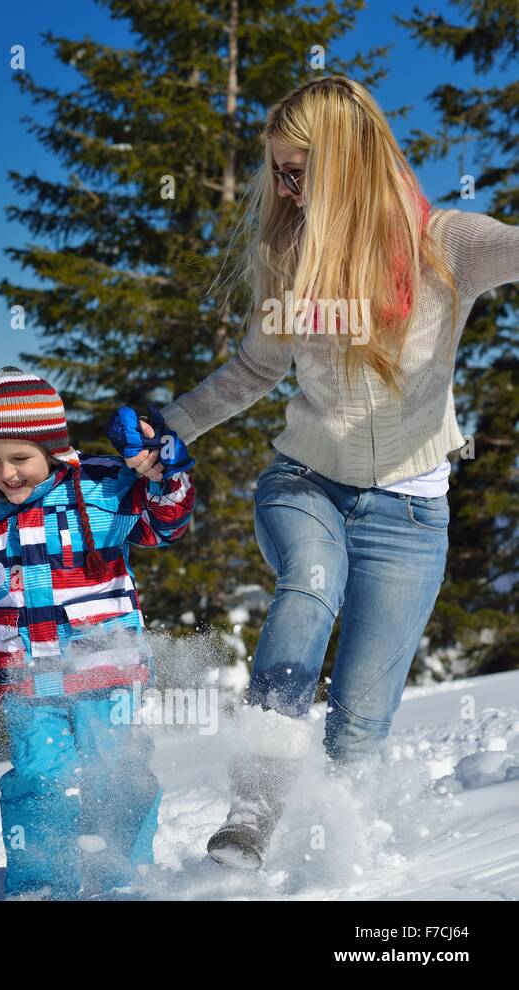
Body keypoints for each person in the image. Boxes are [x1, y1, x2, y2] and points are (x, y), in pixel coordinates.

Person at [116, 75, 519, 870]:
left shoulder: (448, 246)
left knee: (361, 722)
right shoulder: (292, 256)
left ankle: (334, 869)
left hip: (410, 518)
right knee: (308, 579)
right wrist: (170, 426)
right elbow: (250, 373)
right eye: (280, 174)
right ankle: (252, 813)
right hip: (305, 486)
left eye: (299, 172)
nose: (287, 190)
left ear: (350, 163)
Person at [0, 366, 196, 898]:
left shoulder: (106, 489)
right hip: (28, 680)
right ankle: (42, 884)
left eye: (20, 459)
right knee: (38, 782)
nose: (6, 473)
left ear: (54, 449)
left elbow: (165, 522)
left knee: (117, 773)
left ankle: (119, 880)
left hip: (106, 667)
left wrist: (163, 471)